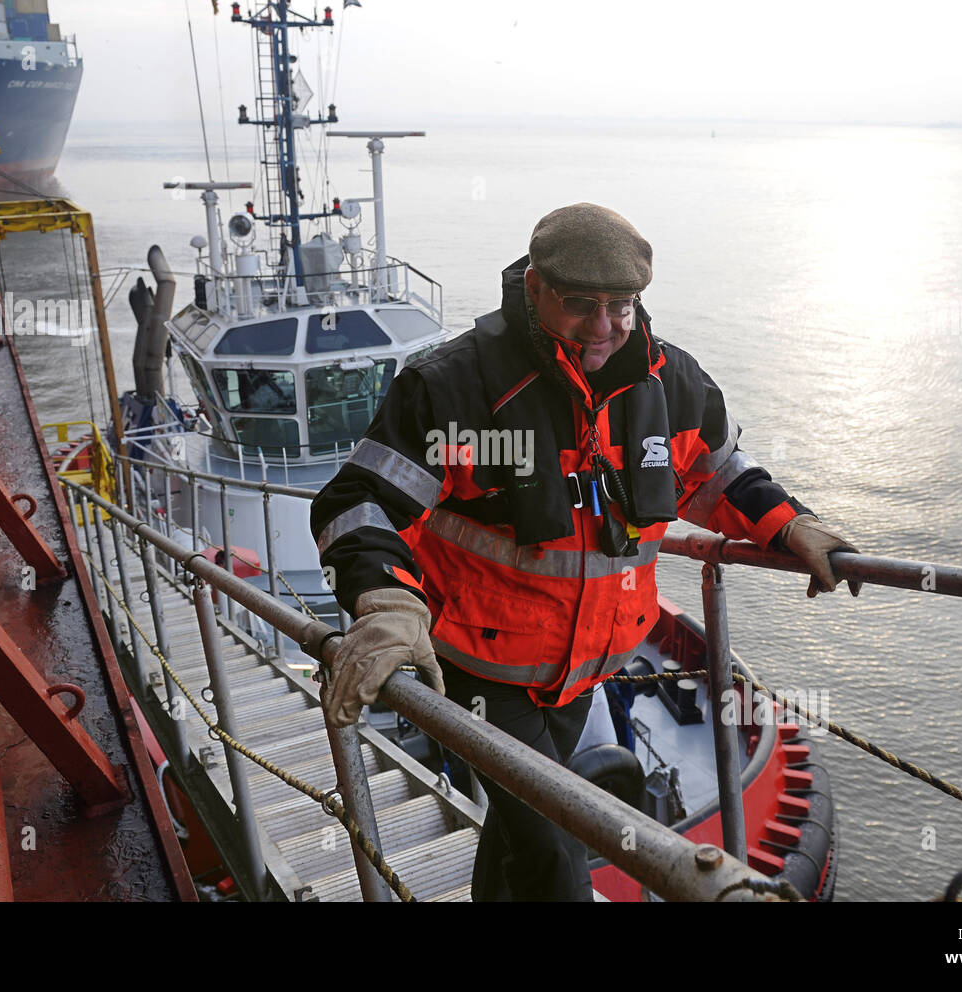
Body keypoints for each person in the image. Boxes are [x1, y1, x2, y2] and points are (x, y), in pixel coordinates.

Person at [309, 203, 860, 901]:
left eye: (620, 307)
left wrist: (792, 524)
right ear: (534, 289)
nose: (602, 328)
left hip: (583, 670)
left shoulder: (672, 384)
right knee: (554, 842)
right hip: (481, 668)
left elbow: (721, 475)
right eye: (579, 305)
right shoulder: (455, 387)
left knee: (520, 832)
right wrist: (387, 603)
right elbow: (359, 503)